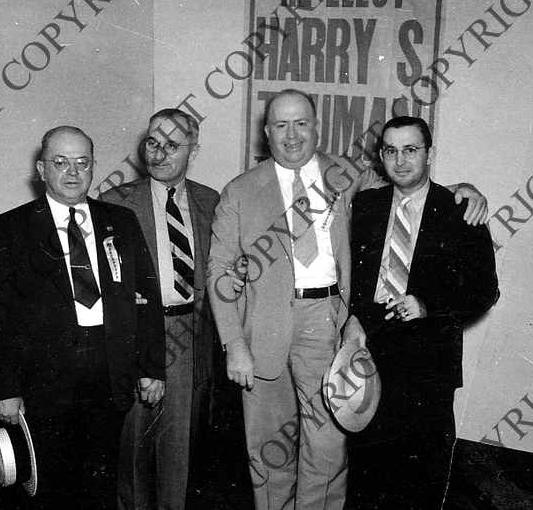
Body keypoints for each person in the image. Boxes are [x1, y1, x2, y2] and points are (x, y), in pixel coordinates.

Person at [206, 89, 488, 510]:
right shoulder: (240, 191)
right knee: (268, 451)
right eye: (280, 125)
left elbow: (410, 188)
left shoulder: (346, 175)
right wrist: (234, 344)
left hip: (328, 326)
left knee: (327, 449)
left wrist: (465, 191)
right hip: (261, 328)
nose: (293, 135)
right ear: (266, 133)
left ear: (317, 127)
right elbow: (218, 270)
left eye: (302, 123)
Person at [0, 126, 165, 509]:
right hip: (42, 381)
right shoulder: (9, 228)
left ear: (94, 167)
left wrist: (152, 367)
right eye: (60, 163)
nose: (72, 172)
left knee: (99, 488)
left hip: (108, 371)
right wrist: (3, 387)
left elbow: (147, 298)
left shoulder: (120, 221)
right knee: (44, 490)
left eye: (82, 163)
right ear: (40, 168)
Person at [346, 116, 500, 509]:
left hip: (429, 357)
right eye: (391, 151)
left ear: (429, 154)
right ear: (380, 156)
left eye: (410, 150)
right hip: (372, 349)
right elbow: (355, 278)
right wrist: (354, 322)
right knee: (368, 466)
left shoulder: (460, 209)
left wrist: (429, 306)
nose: (400, 160)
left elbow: (485, 291)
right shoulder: (366, 205)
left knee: (422, 473)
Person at [100, 108, 219, 510]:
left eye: (172, 145)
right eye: (152, 142)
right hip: (136, 340)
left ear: (193, 150)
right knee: (131, 452)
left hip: (191, 335)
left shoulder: (210, 201)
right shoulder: (114, 202)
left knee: (179, 456)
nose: (159, 153)